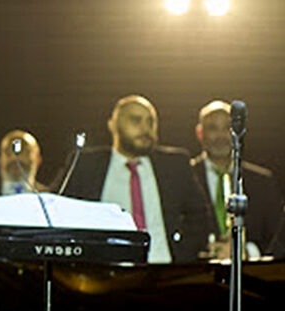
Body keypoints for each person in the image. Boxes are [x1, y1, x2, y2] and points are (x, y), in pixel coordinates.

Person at [59, 94, 214, 264]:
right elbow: (58, 211)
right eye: (135, 120)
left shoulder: (175, 165)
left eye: (150, 122)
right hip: (103, 275)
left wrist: (183, 255)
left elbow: (199, 216)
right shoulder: (86, 165)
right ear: (112, 124)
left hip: (164, 273)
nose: (145, 128)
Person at [191, 100, 285, 259]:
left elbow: (277, 236)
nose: (221, 135)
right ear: (200, 133)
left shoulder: (263, 182)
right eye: (213, 128)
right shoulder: (184, 177)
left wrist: (247, 252)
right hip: (196, 277)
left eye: (228, 128)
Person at [0, 129, 45, 195]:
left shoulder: (54, 199)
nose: (15, 158)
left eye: (25, 152)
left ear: (38, 159)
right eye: (8, 152)